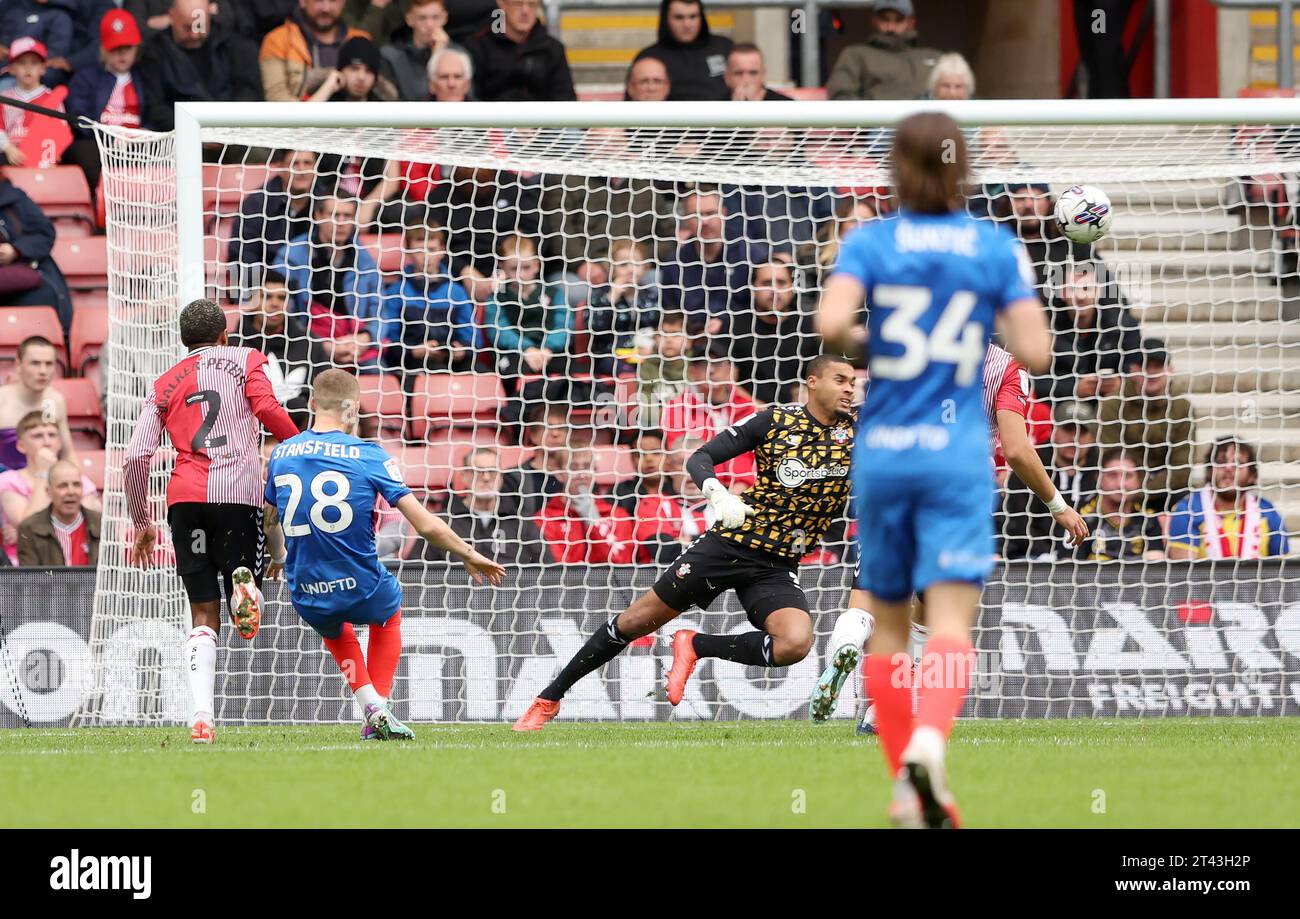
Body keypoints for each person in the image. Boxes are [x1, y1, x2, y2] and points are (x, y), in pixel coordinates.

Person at [815, 112, 1051, 828]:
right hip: (955, 458)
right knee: (948, 621)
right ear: (961, 167)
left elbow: (829, 327)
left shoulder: (872, 240)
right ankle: (928, 743)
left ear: (897, 169)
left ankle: (904, 789)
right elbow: (1035, 352)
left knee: (887, 628)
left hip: (885, 452)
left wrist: (881, 334)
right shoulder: (992, 245)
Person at [512, 354, 858, 731]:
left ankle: (695, 644)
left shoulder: (857, 433)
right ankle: (548, 699)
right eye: (840, 380)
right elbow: (701, 456)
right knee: (635, 621)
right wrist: (719, 495)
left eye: (852, 382)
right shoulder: (775, 420)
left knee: (795, 643)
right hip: (733, 544)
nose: (849, 389)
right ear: (811, 382)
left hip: (777, 562)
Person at [818, 343, 1090, 733]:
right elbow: (1015, 449)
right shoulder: (1006, 369)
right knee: (934, 609)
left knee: (870, 602)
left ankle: (843, 647)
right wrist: (1057, 505)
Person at [264, 369, 505, 740]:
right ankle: (380, 706)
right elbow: (425, 526)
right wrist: (468, 552)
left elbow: (269, 521)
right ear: (354, 409)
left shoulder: (281, 454)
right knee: (389, 614)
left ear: (312, 404)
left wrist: (278, 558)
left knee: (333, 627)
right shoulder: (368, 454)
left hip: (305, 589)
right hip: (361, 582)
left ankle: (371, 706)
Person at [124, 298, 302, 744]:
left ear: (183, 342)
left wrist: (143, 521)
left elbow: (135, 457)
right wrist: (302, 445)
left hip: (185, 499)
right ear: (225, 335)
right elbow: (265, 409)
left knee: (202, 611)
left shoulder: (163, 383)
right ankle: (246, 582)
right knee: (244, 578)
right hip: (238, 493)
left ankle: (202, 717)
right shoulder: (247, 359)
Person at [274, 192, 384, 370]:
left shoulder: (364, 259)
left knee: (378, 374)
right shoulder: (291, 256)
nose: (341, 222)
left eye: (347, 216)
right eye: (334, 215)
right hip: (308, 345)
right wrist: (322, 345)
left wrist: (366, 338)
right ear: (318, 216)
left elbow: (380, 309)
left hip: (355, 345)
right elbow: (283, 313)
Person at [1095, 339, 1195, 512]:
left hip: (1164, 490)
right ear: (1133, 370)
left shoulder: (1182, 407)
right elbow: (1108, 457)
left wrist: (1142, 490)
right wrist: (1128, 485)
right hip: (1119, 486)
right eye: (1145, 367)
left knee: (1185, 499)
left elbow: (1181, 468)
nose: (1151, 373)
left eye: (1158, 367)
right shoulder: (1112, 404)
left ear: (1170, 371)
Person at [63, 10, 154, 195]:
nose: (121, 54)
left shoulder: (146, 77)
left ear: (137, 49)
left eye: (127, 48)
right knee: (84, 153)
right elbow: (79, 117)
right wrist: (110, 139)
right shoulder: (85, 78)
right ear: (104, 48)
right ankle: (104, 207)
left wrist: (141, 136)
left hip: (138, 143)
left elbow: (154, 113)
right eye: (115, 48)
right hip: (100, 144)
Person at [137, 0, 262, 133]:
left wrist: (226, 128)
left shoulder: (233, 45)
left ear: (209, 15)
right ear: (171, 17)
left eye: (200, 26)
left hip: (233, 133)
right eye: (187, 27)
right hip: (178, 136)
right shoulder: (155, 52)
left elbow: (249, 92)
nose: (194, 34)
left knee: (258, 154)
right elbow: (156, 107)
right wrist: (194, 132)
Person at [659, 185, 769, 334]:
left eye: (710, 213)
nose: (705, 222)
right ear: (685, 218)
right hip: (692, 341)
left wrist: (726, 321)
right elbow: (670, 314)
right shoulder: (674, 264)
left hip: (744, 338)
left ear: (724, 213)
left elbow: (763, 308)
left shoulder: (752, 255)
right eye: (696, 215)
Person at [1001, 399, 1099, 560]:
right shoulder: (1029, 469)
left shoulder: (1103, 472)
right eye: (1068, 429)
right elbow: (1018, 522)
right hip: (1035, 560)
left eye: (1082, 432)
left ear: (1092, 437)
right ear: (1053, 430)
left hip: (1090, 562)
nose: (1074, 438)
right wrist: (1046, 555)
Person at [231, 269, 327, 428]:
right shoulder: (234, 346)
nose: (275, 303)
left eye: (281, 298)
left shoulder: (310, 343)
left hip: (302, 435)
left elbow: (325, 394)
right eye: (267, 296)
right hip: (249, 434)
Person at [0, 410, 100, 563]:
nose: (47, 442)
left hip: (76, 560)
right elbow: (27, 527)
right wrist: (43, 473)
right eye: (38, 436)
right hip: (24, 564)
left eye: (52, 435)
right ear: (21, 445)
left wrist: (18, 532)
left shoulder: (81, 480)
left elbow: (85, 522)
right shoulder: (9, 480)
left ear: (59, 443)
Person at [1037, 261, 1142, 403]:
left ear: (1098, 292)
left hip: (1112, 406)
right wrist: (1074, 389)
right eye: (1073, 289)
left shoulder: (1123, 325)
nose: (1080, 296)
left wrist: (1121, 385)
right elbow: (1034, 381)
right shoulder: (1045, 326)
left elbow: (1136, 371)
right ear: (1062, 293)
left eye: (1086, 288)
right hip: (1061, 409)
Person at [1168, 439, 1290, 560]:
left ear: (1252, 476)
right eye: (1221, 462)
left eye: (1238, 463)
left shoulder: (1268, 512)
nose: (1228, 468)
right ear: (1210, 471)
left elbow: (1282, 571)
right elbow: (1184, 573)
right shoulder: (1188, 509)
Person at [380, 222, 477, 373]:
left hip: (454, 362)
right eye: (419, 250)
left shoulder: (456, 292)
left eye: (431, 249)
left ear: (442, 251)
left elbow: (472, 337)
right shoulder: (396, 292)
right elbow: (389, 340)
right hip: (411, 364)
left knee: (482, 374)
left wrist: (462, 350)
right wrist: (412, 351)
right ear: (408, 251)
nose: (425, 257)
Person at [422, 446, 543, 564]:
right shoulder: (443, 522)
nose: (486, 477)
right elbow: (416, 571)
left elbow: (548, 570)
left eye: (492, 471)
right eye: (478, 471)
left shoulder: (522, 522)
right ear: (464, 477)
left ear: (500, 478)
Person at [725, 259, 819, 405]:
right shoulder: (733, 327)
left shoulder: (808, 327)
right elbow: (726, 382)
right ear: (753, 288)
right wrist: (756, 409)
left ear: (792, 287)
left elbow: (823, 375)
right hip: (748, 417)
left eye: (781, 283)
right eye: (766, 283)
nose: (774, 290)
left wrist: (808, 393)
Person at [484, 233, 571, 388]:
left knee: (573, 376)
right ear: (501, 266)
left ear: (536, 265)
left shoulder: (554, 293)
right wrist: (527, 348)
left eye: (526, 267)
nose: (520, 275)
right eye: (513, 268)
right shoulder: (497, 297)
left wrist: (547, 349)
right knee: (515, 372)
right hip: (514, 353)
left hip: (550, 352)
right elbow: (498, 330)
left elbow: (564, 325)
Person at [226, 148, 318, 291]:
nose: (301, 170)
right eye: (294, 164)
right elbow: (242, 257)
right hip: (265, 289)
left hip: (312, 288)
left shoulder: (326, 201)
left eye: (307, 163)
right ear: (281, 167)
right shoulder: (257, 203)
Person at [534, 444, 637, 565]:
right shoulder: (544, 519)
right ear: (559, 474)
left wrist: (595, 525)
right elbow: (555, 569)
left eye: (587, 467)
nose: (582, 475)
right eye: (573, 468)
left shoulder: (617, 515)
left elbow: (622, 564)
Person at [0, 170, 73, 331]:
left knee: (43, 301)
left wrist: (15, 250)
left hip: (24, 277)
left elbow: (45, 233)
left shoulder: (14, 198)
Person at [463, 0, 575, 102]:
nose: (525, 11)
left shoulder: (553, 48)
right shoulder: (478, 45)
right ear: (501, 4)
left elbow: (565, 98)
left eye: (532, 4)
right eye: (518, 3)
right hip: (491, 121)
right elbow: (471, 96)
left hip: (542, 122)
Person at [825, 0, 939, 101]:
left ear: (911, 22)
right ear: (874, 20)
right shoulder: (855, 54)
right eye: (885, 19)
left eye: (898, 20)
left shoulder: (934, 57)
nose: (891, 27)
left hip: (926, 123)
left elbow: (953, 95)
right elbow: (841, 97)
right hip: (874, 123)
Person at [259, 0, 370, 102]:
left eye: (333, 0)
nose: (326, 8)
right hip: (300, 121)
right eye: (318, 0)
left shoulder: (361, 39)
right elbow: (277, 104)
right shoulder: (278, 40)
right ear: (302, 1)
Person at [584, 238, 661, 377]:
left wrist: (652, 345)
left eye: (636, 264)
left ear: (645, 268)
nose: (631, 269)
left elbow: (657, 326)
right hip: (610, 355)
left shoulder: (651, 296)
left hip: (643, 353)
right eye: (623, 264)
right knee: (628, 372)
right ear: (612, 269)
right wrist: (611, 298)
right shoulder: (601, 294)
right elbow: (593, 326)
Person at [1072, 448, 1164, 561]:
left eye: (1128, 476)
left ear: (1139, 480)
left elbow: (1156, 561)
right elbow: (1068, 566)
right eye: (1112, 475)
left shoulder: (1147, 518)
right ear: (1099, 478)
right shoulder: (1080, 516)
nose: (1120, 484)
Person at [0, 336, 76, 469]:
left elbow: (68, 453)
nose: (43, 371)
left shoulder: (55, 400)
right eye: (35, 363)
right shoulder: (2, 399)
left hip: (46, 482)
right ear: (18, 365)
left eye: (49, 364)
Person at [632, 0, 731, 102]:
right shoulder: (649, 58)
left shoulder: (724, 47)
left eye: (693, 17)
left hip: (723, 116)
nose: (687, 24)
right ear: (666, 19)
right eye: (679, 17)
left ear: (701, 18)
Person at [0, 38, 73, 168]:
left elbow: (60, 131)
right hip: (12, 154)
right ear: (11, 69)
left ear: (43, 68)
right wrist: (7, 148)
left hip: (43, 154)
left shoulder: (52, 98)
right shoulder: (4, 98)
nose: (28, 68)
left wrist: (53, 156)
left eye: (34, 63)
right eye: (22, 63)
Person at [16, 459, 99, 566]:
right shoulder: (29, 528)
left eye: (76, 485)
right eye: (63, 486)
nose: (71, 492)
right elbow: (30, 579)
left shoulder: (101, 524)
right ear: (48, 492)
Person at [499, 402, 568, 518]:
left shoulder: (580, 476)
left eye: (561, 428)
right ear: (533, 435)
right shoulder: (514, 478)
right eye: (548, 427)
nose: (555, 433)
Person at [381, 0, 457, 101]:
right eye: (422, 18)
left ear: (445, 18)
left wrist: (441, 55)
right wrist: (436, 59)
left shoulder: (460, 56)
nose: (430, 25)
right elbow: (415, 100)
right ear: (409, 20)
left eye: (435, 17)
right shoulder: (391, 57)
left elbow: (465, 99)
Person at [635, 311, 690, 430]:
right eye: (663, 334)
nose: (669, 340)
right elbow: (646, 406)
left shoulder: (697, 364)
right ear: (655, 338)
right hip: (660, 426)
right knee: (648, 443)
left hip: (694, 422)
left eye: (675, 334)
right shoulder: (647, 366)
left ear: (689, 340)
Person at [306, 33, 397, 101]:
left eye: (369, 71)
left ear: (375, 79)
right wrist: (328, 86)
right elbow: (302, 122)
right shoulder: (324, 99)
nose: (361, 77)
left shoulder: (383, 108)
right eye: (354, 69)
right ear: (340, 71)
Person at [723, 42, 789, 101]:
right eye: (738, 73)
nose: (746, 80)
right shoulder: (715, 107)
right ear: (727, 77)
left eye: (753, 73)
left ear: (763, 75)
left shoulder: (787, 107)